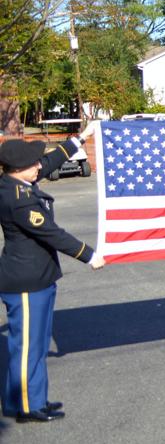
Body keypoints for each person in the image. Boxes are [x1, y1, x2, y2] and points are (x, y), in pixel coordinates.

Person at [0, 123, 106, 423]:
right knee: (27, 348)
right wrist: (89, 256)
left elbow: (49, 162)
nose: (38, 165)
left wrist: (81, 138)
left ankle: (23, 399)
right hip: (26, 281)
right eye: (32, 163)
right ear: (17, 169)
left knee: (35, 343)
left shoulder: (17, 182)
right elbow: (51, 233)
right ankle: (28, 407)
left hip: (38, 278)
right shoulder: (17, 199)